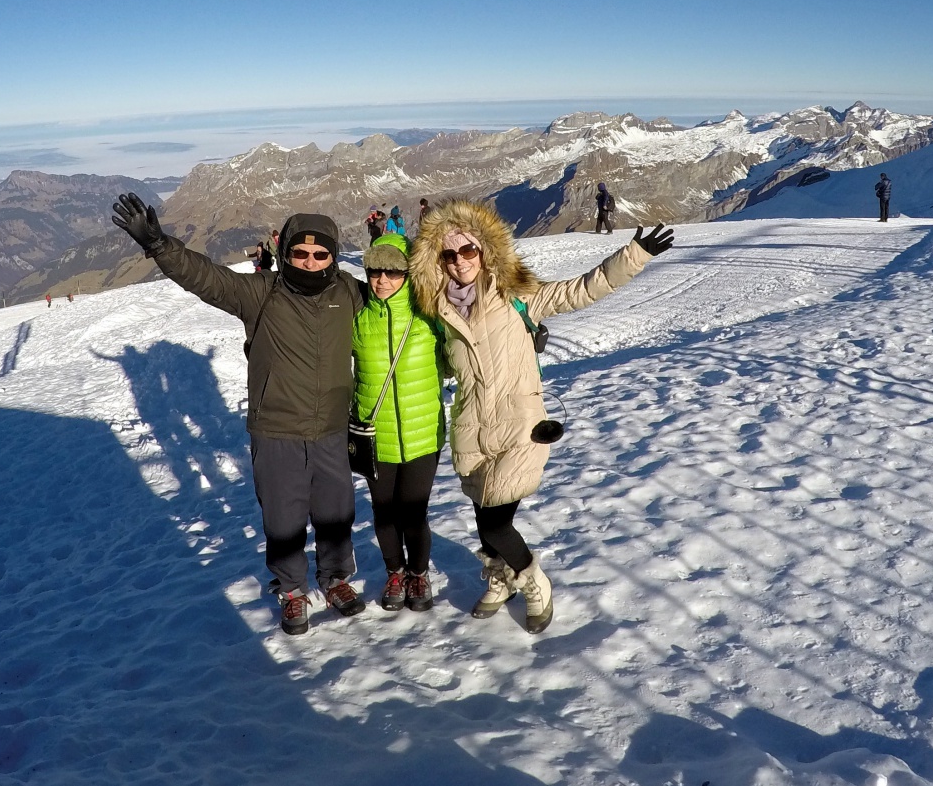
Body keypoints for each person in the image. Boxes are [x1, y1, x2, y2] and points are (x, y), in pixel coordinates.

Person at [409, 200, 674, 633]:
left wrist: (634, 254)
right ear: (437, 262)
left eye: (468, 251)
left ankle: (533, 580)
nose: (460, 262)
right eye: (448, 255)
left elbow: (581, 288)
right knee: (482, 513)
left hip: (519, 424)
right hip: (472, 428)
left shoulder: (518, 295)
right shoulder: (438, 313)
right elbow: (429, 365)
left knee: (497, 522)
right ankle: (501, 580)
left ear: (485, 250)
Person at [113, 192, 369, 635]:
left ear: (332, 255)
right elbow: (206, 278)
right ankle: (291, 591)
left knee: (336, 512)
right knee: (283, 518)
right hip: (276, 428)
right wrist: (159, 246)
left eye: (320, 253)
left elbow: (400, 298)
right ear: (286, 252)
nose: (309, 261)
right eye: (300, 253)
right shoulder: (260, 294)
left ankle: (336, 580)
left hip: (330, 426)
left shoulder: (348, 292)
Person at [352, 233, 446, 612]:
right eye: (375, 271)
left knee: (414, 511)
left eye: (393, 271)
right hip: (376, 436)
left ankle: (418, 573)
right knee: (383, 511)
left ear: (409, 273)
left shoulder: (430, 315)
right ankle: (395, 571)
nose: (383, 280)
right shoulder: (357, 319)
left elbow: (466, 350)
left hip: (423, 432)